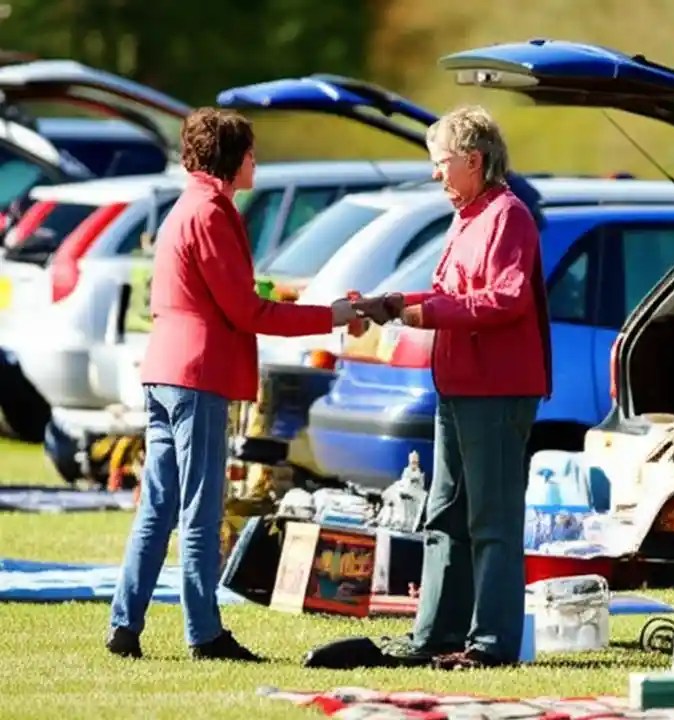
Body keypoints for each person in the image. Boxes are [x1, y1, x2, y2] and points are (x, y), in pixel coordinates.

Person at [105, 108, 360, 662]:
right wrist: (333, 315)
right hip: (197, 376)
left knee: (159, 507)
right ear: (232, 158)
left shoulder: (184, 207)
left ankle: (125, 625)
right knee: (200, 509)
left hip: (164, 370)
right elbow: (246, 311)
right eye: (251, 153)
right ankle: (204, 633)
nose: (256, 161)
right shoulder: (214, 211)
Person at [354, 105, 552, 670]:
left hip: (497, 390)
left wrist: (421, 314)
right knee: (444, 513)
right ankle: (437, 635)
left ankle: (491, 644)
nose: (436, 174)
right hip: (458, 386)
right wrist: (391, 304)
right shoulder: (467, 216)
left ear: (474, 159)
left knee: (491, 519)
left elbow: (504, 298)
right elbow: (446, 294)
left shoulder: (508, 216)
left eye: (441, 163)